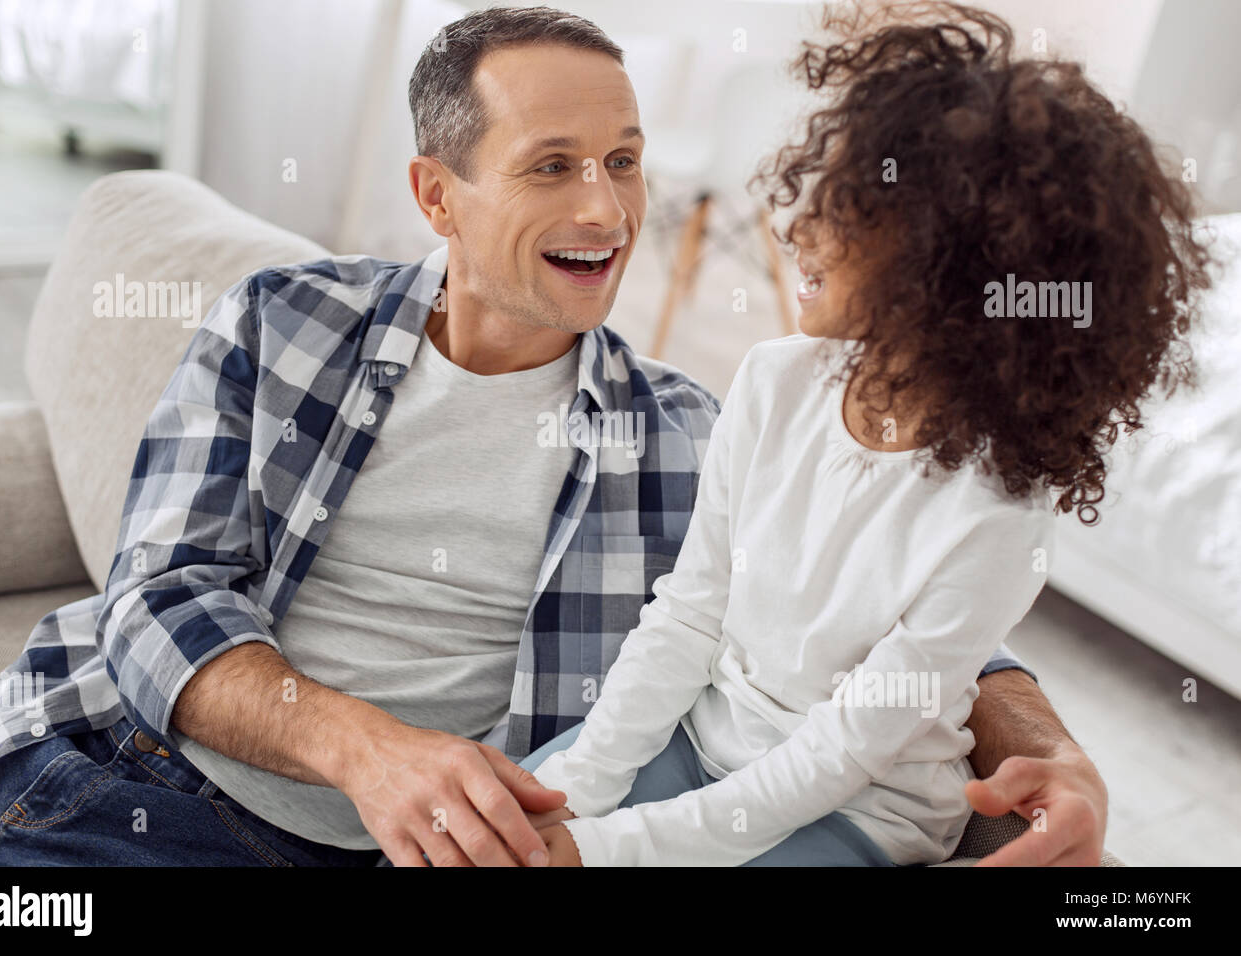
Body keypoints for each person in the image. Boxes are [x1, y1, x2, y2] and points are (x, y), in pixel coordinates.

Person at [0, 5, 1113, 868]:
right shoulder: (284, 323)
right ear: (438, 195)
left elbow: (880, 606)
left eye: (623, 163)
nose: (604, 211)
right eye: (551, 167)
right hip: (115, 775)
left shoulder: (685, 433)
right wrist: (370, 750)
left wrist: (1048, 746)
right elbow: (158, 595)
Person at [517, 1, 1214, 867]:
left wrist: (603, 850)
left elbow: (838, 755)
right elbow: (688, 616)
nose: (796, 225)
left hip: (851, 810)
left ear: (948, 265)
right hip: (697, 743)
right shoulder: (775, 381)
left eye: (845, 209)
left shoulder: (999, 514)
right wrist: (580, 790)